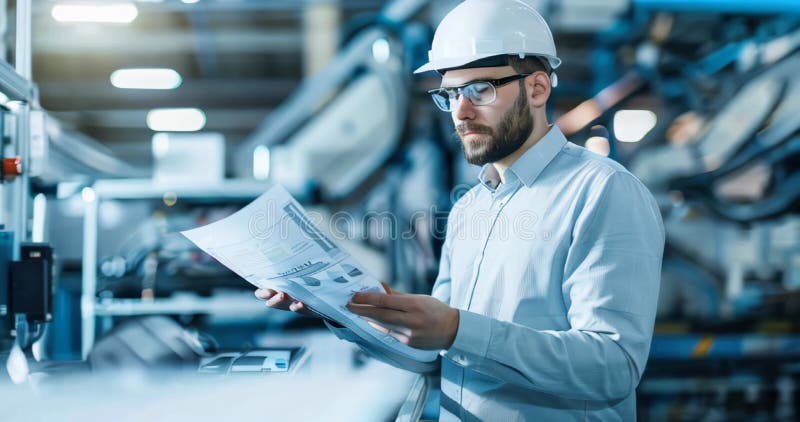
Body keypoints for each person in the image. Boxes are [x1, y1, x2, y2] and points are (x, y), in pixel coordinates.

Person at [256, 0, 665, 419]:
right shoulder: (470, 208)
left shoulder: (602, 191)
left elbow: (613, 367)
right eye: (450, 94)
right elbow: (431, 353)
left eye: (479, 90)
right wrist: (341, 309)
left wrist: (456, 329)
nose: (460, 112)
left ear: (538, 88)